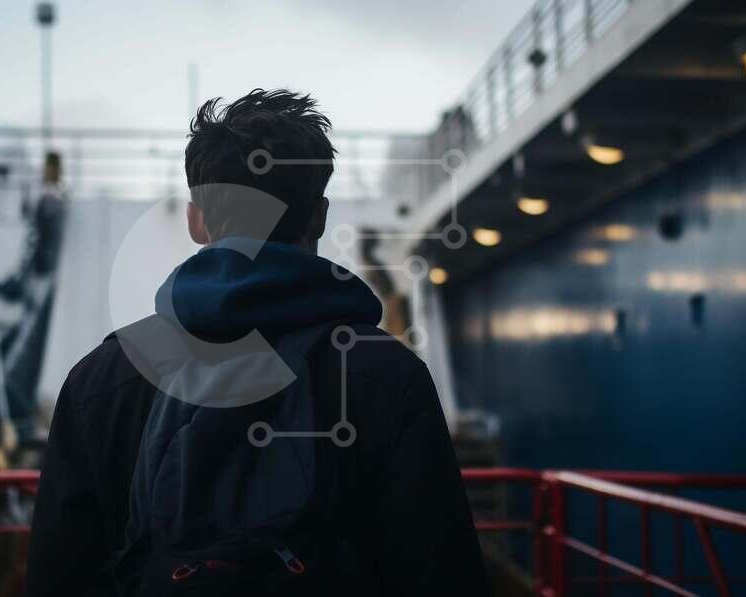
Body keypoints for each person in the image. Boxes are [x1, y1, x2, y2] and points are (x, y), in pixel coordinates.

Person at [24, 89, 488, 596]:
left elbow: (57, 577)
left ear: (196, 219)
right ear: (319, 216)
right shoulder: (388, 377)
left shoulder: (102, 381)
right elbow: (444, 574)